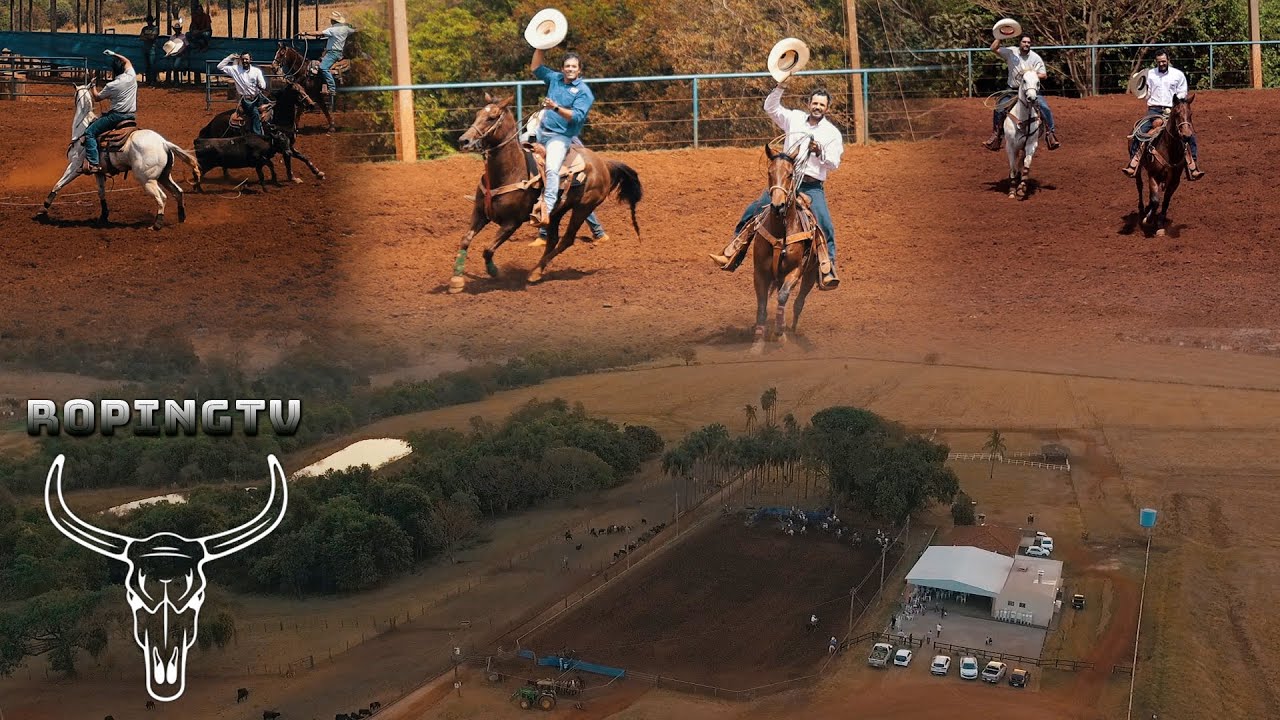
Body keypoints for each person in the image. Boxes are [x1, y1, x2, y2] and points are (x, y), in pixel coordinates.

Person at [709, 81, 844, 288]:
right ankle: (732, 251)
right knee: (753, 210)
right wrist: (780, 87)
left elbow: (834, 163)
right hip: (786, 183)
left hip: (811, 186)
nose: (817, 107)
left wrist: (820, 152)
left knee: (825, 224)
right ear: (808, 103)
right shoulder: (794, 118)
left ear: (827, 108)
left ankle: (828, 268)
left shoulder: (831, 133)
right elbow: (770, 108)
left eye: (822, 105)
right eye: (815, 103)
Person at [527, 48, 594, 227]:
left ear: (579, 70)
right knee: (516, 152)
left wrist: (555, 107)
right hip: (542, 131)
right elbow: (535, 67)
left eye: (574, 66)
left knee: (551, 170)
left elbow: (577, 116)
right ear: (562, 68)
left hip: (561, 137)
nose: (570, 69)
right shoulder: (555, 78)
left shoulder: (583, 92)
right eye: (567, 66)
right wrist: (540, 45)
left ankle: (547, 209)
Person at [521, 110, 608, 244]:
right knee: (578, 199)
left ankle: (543, 235)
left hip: (568, 152)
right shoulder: (539, 115)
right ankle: (598, 232)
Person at [1122, 49, 1204, 180]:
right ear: (1156, 61)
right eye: (1159, 62)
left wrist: (1176, 105)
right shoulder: (1149, 75)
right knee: (1138, 133)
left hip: (1172, 110)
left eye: (1164, 61)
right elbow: (1143, 92)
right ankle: (1134, 163)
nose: (1161, 64)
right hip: (1153, 110)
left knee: (1189, 134)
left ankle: (1192, 165)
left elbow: (1182, 93)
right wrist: (1142, 94)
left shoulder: (1178, 75)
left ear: (1168, 60)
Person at [983, 34, 1059, 151]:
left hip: (1030, 90)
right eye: (1024, 42)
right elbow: (993, 48)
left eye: (1028, 42)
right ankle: (996, 135)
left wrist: (1030, 74)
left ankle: (1050, 134)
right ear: (1020, 43)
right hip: (1012, 90)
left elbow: (1044, 74)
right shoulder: (1011, 52)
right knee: (999, 108)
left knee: (1045, 108)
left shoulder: (1035, 57)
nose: (1026, 44)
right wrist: (1000, 36)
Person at [82, 50, 138, 175]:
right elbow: (127, 61)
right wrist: (114, 54)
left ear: (113, 71)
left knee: (89, 132)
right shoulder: (131, 76)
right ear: (123, 69)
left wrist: (93, 86)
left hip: (116, 116)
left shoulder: (112, 85)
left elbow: (97, 98)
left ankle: (94, 163)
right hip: (131, 115)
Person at [301, 11, 357, 113]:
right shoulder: (346, 29)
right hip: (338, 52)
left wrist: (306, 33)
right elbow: (354, 30)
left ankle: (331, 87)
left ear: (333, 20)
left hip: (332, 53)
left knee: (323, 67)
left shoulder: (333, 30)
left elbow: (319, 33)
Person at [218, 52, 270, 136]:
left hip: (258, 97)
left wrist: (261, 85)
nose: (245, 61)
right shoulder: (235, 69)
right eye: (243, 59)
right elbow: (219, 67)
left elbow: (263, 85)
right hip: (246, 100)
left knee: (272, 106)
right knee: (255, 114)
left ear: (250, 60)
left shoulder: (256, 71)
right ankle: (258, 135)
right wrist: (230, 57)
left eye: (246, 59)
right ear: (240, 60)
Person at [139, 15, 159, 85]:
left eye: (150, 21)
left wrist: (146, 37)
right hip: (146, 48)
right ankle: (148, 80)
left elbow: (153, 37)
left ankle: (153, 80)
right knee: (147, 65)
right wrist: (148, 37)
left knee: (152, 64)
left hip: (152, 48)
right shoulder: (145, 28)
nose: (149, 22)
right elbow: (141, 37)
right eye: (148, 21)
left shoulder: (155, 28)